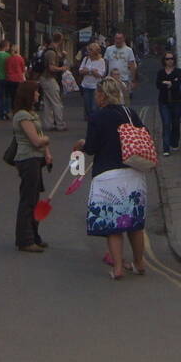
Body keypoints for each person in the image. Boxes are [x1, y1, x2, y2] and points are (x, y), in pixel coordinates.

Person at [73, 77, 149, 279]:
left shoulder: (97, 117)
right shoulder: (129, 113)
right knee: (134, 223)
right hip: (133, 172)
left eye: (98, 94)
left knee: (114, 226)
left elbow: (91, 148)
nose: (96, 97)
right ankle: (140, 263)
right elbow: (144, 134)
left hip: (108, 176)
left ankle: (117, 269)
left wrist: (82, 144)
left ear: (103, 95)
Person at [10, 80, 53, 253]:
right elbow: (36, 140)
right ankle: (24, 240)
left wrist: (47, 153)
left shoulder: (32, 114)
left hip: (36, 159)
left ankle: (34, 236)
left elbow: (39, 135)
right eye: (35, 92)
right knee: (27, 200)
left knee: (34, 200)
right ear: (28, 94)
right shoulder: (22, 116)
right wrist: (46, 140)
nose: (38, 94)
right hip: (27, 159)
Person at [156, 52, 181, 155]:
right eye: (167, 59)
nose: (169, 61)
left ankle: (174, 142)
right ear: (164, 60)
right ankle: (166, 148)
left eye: (171, 59)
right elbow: (158, 85)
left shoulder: (178, 71)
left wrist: (167, 82)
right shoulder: (160, 72)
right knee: (166, 123)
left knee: (176, 123)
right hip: (164, 102)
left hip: (176, 101)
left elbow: (178, 83)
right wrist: (171, 82)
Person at [40, 32, 67, 133]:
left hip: (44, 78)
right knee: (57, 102)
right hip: (49, 78)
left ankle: (48, 124)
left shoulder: (50, 50)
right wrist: (62, 68)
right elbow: (51, 67)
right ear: (60, 40)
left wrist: (62, 57)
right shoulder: (51, 52)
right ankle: (60, 125)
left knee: (47, 103)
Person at [76, 42, 107, 122]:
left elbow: (100, 74)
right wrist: (92, 71)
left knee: (95, 107)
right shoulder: (86, 59)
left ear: (96, 51)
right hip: (86, 85)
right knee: (87, 105)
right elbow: (80, 71)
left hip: (96, 87)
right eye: (88, 49)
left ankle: (94, 120)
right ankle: (90, 119)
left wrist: (88, 71)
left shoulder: (101, 61)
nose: (88, 51)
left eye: (90, 50)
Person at [0, 37, 13, 120]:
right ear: (6, 46)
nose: (9, 48)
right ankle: (6, 112)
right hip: (7, 78)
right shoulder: (8, 56)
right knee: (7, 96)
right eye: (8, 46)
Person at [5, 43, 25, 109]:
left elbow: (7, 69)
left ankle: (12, 108)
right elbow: (23, 69)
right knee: (18, 95)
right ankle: (18, 108)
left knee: (12, 95)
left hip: (10, 79)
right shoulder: (20, 59)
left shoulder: (8, 59)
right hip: (19, 78)